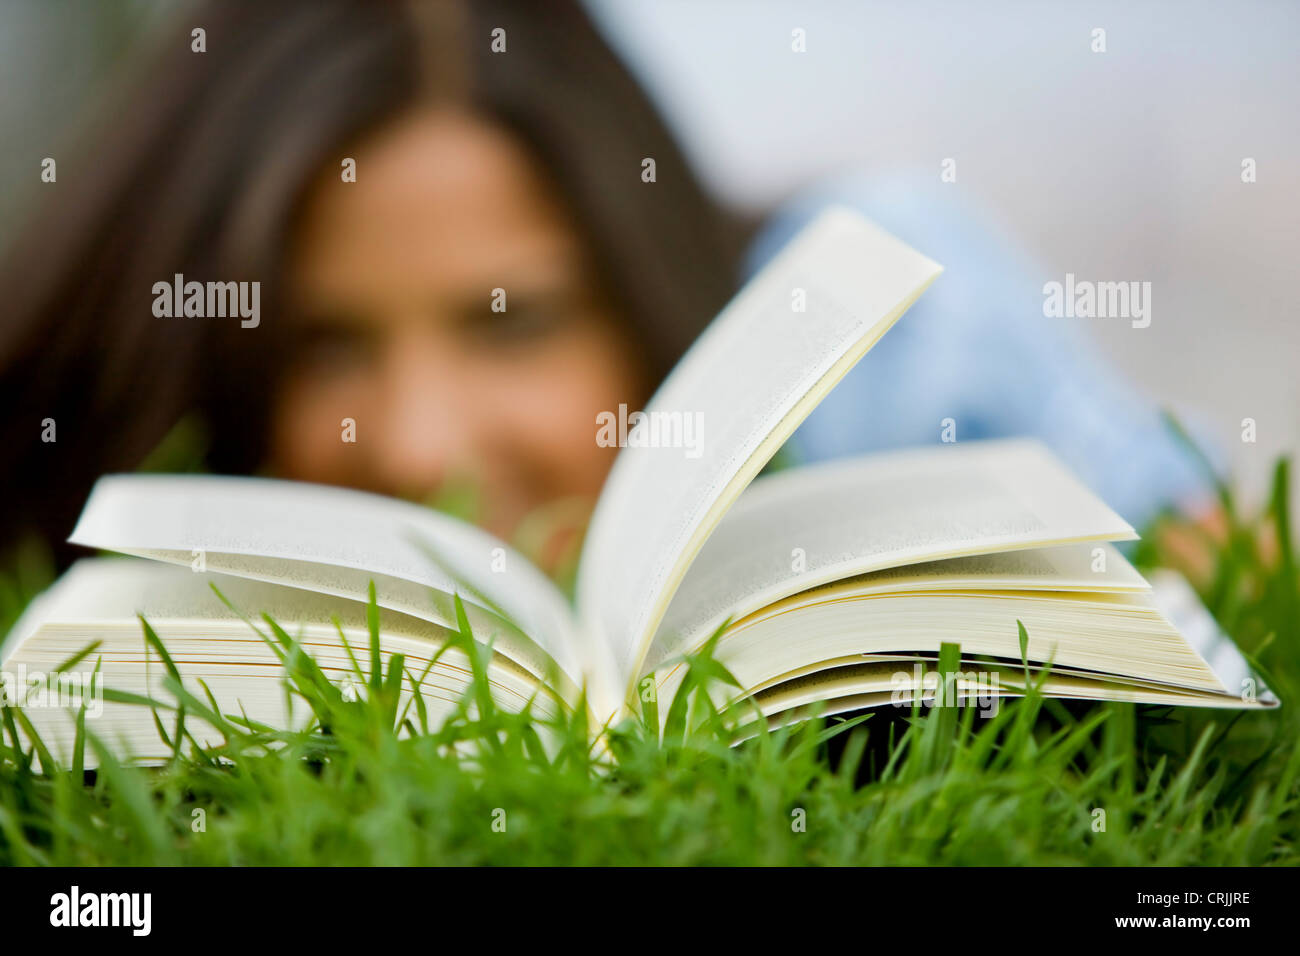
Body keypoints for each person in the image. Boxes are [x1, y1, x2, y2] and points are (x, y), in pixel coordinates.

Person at [0, 0, 1216, 583]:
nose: (423, 446)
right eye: (323, 346)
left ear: (648, 286)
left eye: (510, 319)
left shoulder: (875, 332)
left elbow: (1222, 566)